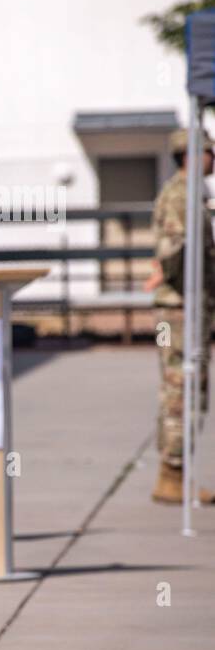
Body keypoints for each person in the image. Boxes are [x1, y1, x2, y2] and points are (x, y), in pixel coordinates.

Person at [150, 128, 215, 503]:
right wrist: (194, 291)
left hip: (180, 308)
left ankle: (172, 471)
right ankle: (171, 472)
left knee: (179, 385)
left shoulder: (189, 193)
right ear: (192, 154)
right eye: (209, 151)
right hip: (179, 311)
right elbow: (175, 252)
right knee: (182, 386)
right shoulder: (181, 195)